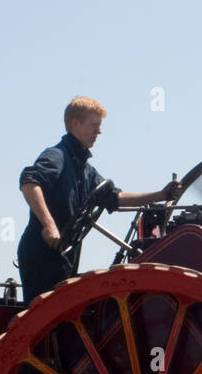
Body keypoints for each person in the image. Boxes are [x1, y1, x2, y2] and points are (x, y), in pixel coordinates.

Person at [18, 97, 182, 303]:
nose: (99, 132)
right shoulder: (56, 156)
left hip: (63, 256)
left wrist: (161, 195)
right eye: (94, 126)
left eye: (99, 126)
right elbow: (29, 182)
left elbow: (115, 197)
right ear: (75, 124)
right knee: (45, 323)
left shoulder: (86, 170)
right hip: (43, 254)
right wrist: (49, 226)